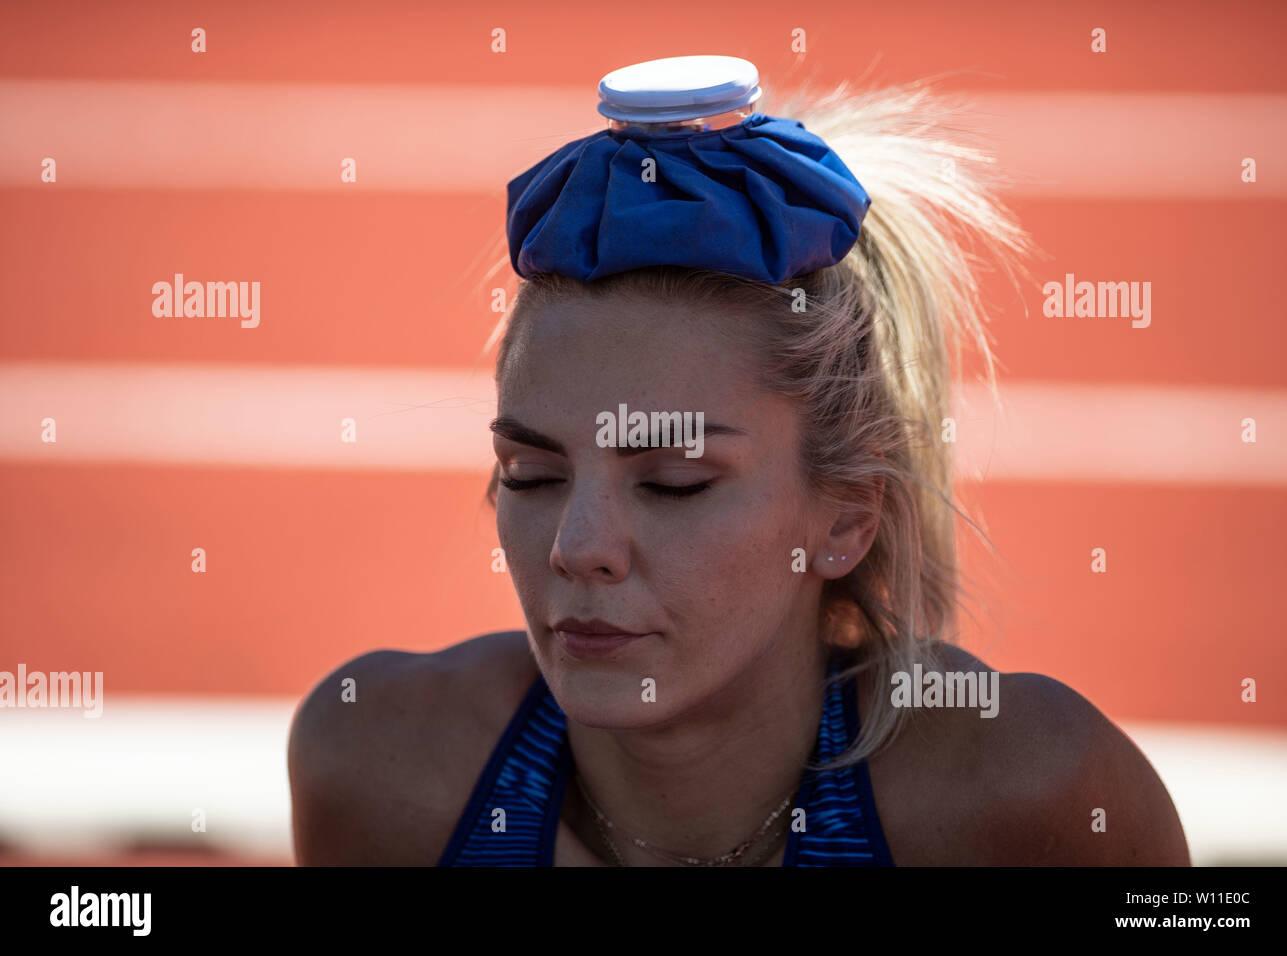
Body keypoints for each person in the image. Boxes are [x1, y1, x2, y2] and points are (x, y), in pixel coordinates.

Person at [288, 57, 1190, 866]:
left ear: (845, 516)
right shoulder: (383, 773)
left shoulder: (1023, 798)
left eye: (674, 482)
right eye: (534, 474)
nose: (579, 545)